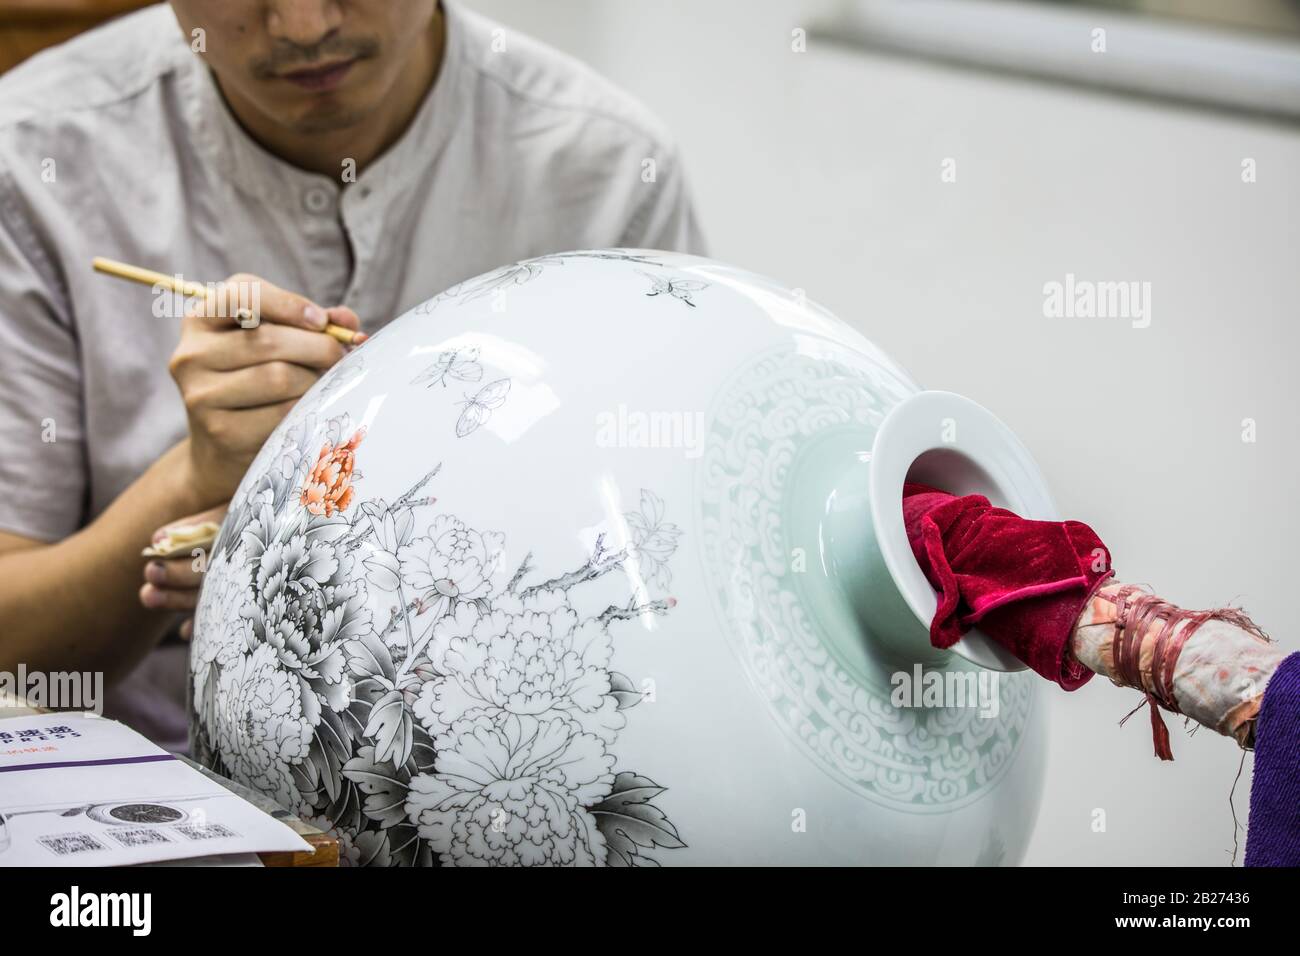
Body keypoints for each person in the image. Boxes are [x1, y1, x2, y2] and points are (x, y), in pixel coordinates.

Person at [0, 0, 706, 749]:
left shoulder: (608, 173)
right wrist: (191, 482)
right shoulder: (34, 163)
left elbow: (675, 570)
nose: (303, 26)